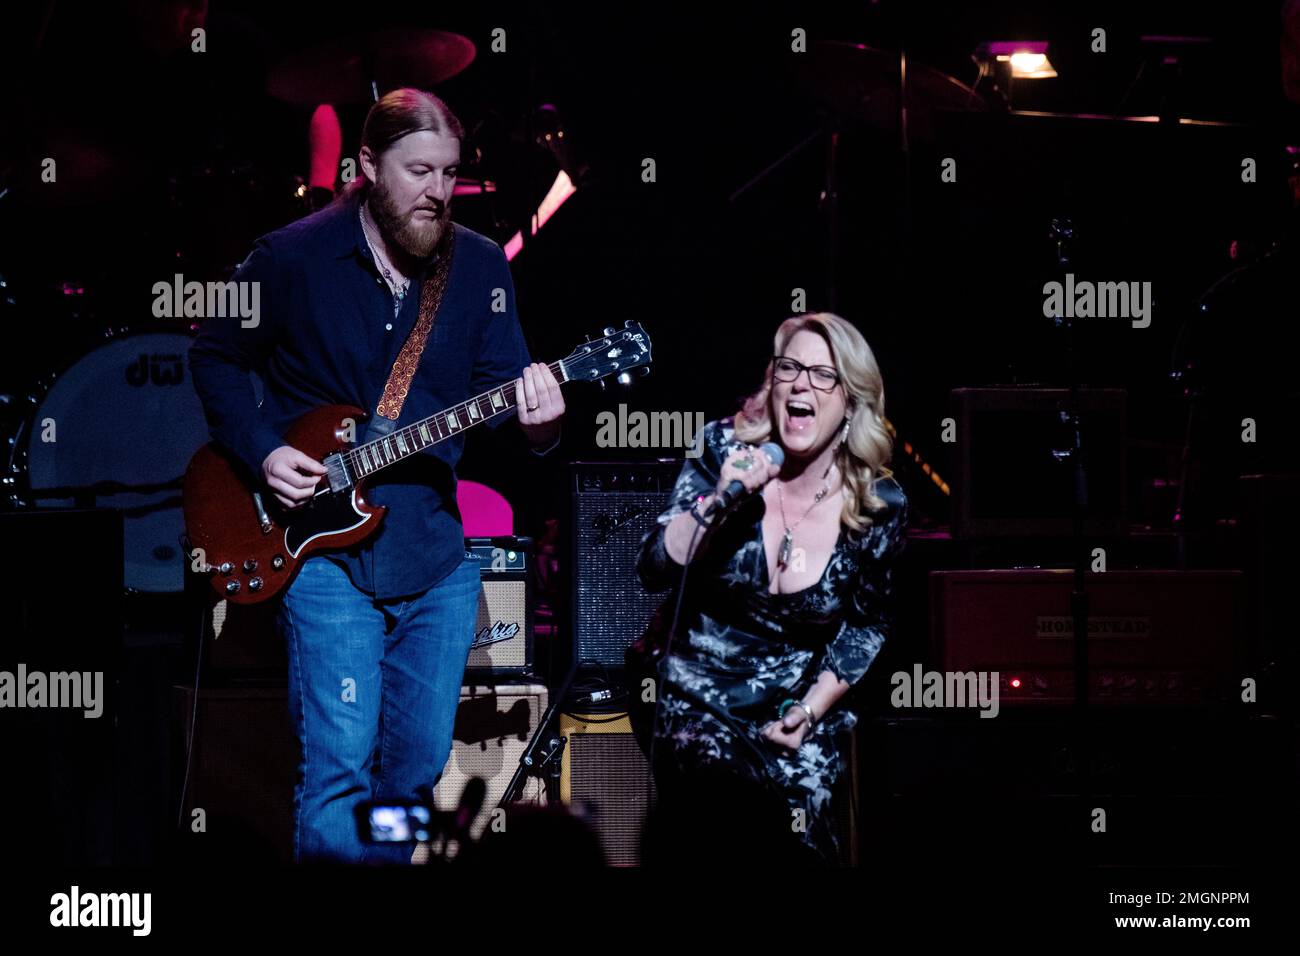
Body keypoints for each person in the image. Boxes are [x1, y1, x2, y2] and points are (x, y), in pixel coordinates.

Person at [189, 88, 564, 864]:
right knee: (337, 774)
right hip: (322, 557)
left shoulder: (482, 265)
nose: (437, 191)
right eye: (418, 170)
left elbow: (506, 398)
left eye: (450, 173)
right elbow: (215, 356)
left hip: (433, 553)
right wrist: (263, 451)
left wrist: (542, 421)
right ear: (366, 167)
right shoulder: (290, 256)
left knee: (417, 778)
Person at [636, 312, 907, 864]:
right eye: (790, 368)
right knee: (717, 817)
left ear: (851, 402)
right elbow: (654, 567)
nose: (802, 384)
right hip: (698, 696)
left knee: (804, 841)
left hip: (792, 706)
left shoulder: (878, 506)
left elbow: (868, 623)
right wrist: (724, 497)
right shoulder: (721, 449)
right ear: (773, 382)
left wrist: (809, 711)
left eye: (823, 375)